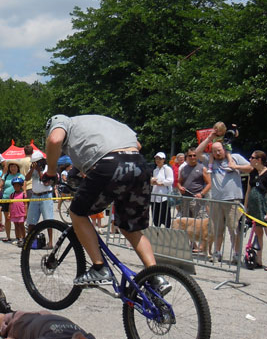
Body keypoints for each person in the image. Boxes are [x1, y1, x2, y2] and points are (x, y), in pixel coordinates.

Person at [43, 114, 169, 293]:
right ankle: (155, 276)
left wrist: (51, 171)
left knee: (77, 213)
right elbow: (138, 145)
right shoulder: (100, 123)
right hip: (139, 165)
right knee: (130, 228)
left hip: (111, 164)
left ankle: (99, 267)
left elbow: (54, 140)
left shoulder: (63, 122)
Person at [195, 132, 251, 262]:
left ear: (224, 149)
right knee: (217, 229)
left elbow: (250, 167)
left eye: (219, 150)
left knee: (234, 229)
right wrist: (210, 138)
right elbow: (198, 152)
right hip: (216, 200)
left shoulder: (235, 157)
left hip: (232, 200)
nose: (217, 153)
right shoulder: (211, 162)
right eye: (214, 151)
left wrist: (236, 167)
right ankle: (217, 252)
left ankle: (237, 254)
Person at [244, 151, 267, 271]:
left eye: (252, 158)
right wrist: (246, 207)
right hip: (254, 208)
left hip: (265, 206)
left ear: (259, 160)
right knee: (258, 233)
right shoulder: (252, 173)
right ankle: (258, 259)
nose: (250, 159)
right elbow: (248, 191)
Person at [25, 152, 55, 249]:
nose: (35, 164)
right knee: (31, 221)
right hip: (35, 195)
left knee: (48, 220)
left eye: (36, 162)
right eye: (34, 162)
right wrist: (33, 169)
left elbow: (46, 182)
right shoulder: (33, 168)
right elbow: (27, 178)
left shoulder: (47, 168)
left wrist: (39, 171)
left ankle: (50, 242)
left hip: (46, 195)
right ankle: (29, 242)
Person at [177, 148, 211, 219]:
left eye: (194, 155)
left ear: (197, 156)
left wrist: (201, 194)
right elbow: (179, 182)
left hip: (197, 200)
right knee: (186, 223)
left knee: (198, 223)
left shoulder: (202, 168)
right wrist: (180, 187)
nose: (192, 157)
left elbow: (209, 184)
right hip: (185, 199)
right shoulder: (183, 169)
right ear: (187, 157)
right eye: (190, 156)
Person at [0, 162, 22, 241]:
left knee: (18, 220)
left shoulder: (21, 176)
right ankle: (8, 236)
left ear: (18, 167)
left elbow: (24, 189)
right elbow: (0, 186)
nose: (13, 168)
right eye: (11, 167)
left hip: (17, 200)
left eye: (15, 166)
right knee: (7, 218)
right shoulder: (6, 176)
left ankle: (19, 237)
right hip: (6, 199)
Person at [150, 151, 174, 227]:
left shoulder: (167, 169)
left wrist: (161, 183)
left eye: (160, 159)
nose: (158, 160)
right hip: (155, 196)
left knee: (165, 216)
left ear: (164, 160)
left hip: (164, 197)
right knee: (156, 218)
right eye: (156, 159)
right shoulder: (155, 170)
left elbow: (170, 180)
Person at [9, 175, 27, 244]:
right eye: (15, 186)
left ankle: (23, 237)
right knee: (16, 225)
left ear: (21, 186)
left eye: (18, 186)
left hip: (21, 212)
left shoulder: (23, 195)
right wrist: (9, 213)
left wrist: (26, 212)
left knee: (21, 225)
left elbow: (25, 204)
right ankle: (17, 238)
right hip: (14, 212)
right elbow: (10, 204)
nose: (16, 187)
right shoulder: (12, 195)